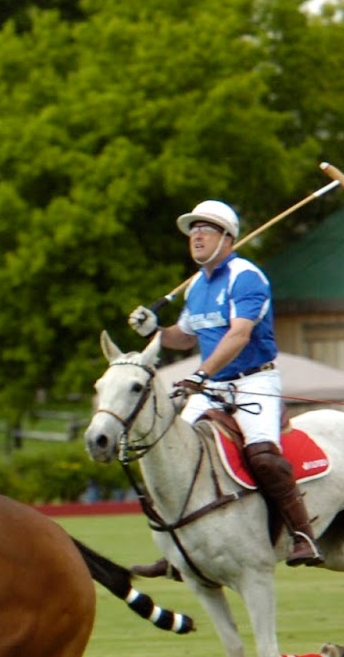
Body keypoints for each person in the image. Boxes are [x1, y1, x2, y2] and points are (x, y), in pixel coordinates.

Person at [128, 198, 322, 567]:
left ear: (227, 237)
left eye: (206, 229)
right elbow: (184, 337)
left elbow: (239, 335)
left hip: (254, 382)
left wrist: (200, 374)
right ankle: (178, 550)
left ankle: (302, 535)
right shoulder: (196, 288)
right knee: (171, 454)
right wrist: (154, 330)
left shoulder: (246, 277)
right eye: (193, 230)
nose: (196, 235)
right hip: (211, 388)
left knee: (263, 455)